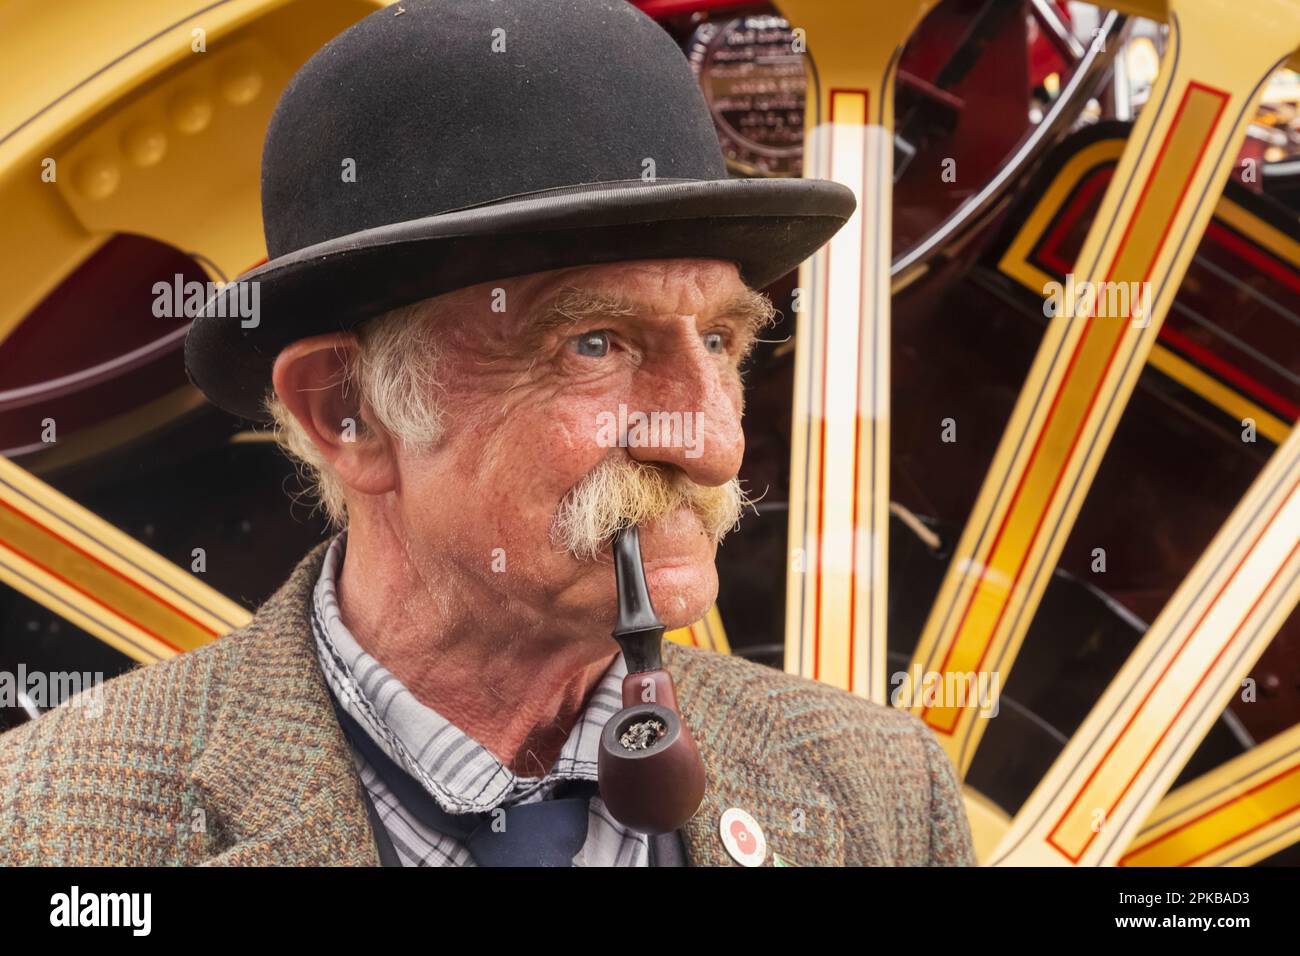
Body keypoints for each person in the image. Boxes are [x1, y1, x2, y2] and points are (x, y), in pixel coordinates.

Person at [0, 0, 975, 867]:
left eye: (721, 338)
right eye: (596, 342)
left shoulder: (881, 796)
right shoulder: (46, 831)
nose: (713, 444)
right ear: (345, 408)